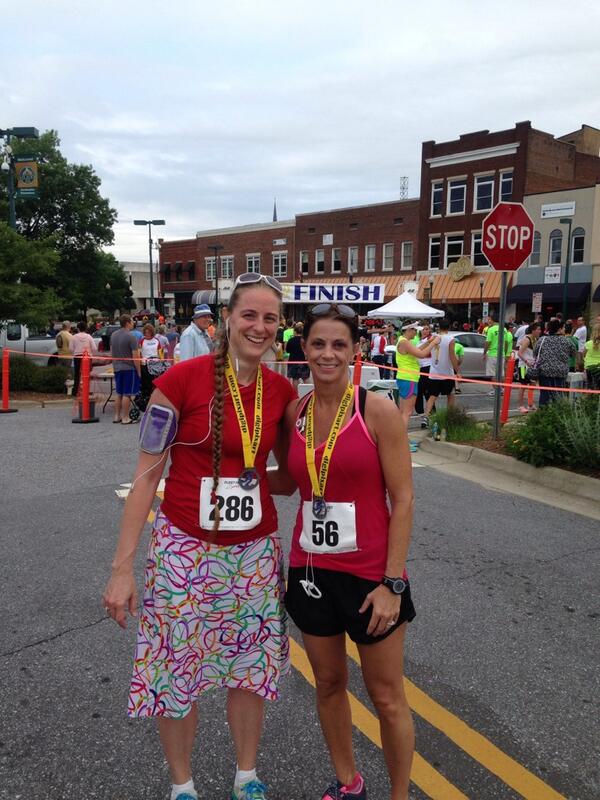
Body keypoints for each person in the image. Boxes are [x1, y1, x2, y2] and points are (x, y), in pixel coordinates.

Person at [102, 273, 295, 800]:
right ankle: (182, 784)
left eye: (270, 318)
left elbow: (290, 472)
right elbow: (146, 478)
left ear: (279, 328)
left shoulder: (281, 391)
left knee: (249, 669)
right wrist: (123, 567)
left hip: (253, 552)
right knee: (174, 670)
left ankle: (246, 776)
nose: (259, 326)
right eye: (249, 315)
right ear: (227, 319)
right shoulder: (179, 382)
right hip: (184, 549)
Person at [270, 302, 416, 800]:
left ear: (356, 350)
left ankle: (399, 795)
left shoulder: (375, 409)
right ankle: (349, 782)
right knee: (328, 684)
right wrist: (216, 474)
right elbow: (289, 483)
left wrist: (392, 583)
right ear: (303, 349)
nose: (327, 354)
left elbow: (404, 498)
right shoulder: (296, 412)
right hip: (310, 567)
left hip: (370, 575)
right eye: (318, 344)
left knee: (386, 696)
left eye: (339, 345)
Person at [394, 322, 439, 449]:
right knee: (407, 412)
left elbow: (417, 350)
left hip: (405, 378)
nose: (416, 333)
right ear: (409, 330)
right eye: (415, 330)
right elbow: (421, 354)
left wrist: (428, 342)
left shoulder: (403, 341)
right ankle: (402, 443)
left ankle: (400, 440)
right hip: (409, 378)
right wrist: (433, 343)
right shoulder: (405, 342)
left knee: (403, 411)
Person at [533, 319, 576, 406]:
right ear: (559, 329)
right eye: (563, 327)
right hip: (560, 372)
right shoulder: (567, 341)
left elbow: (535, 353)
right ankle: (556, 415)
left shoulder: (542, 340)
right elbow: (573, 353)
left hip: (544, 372)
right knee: (558, 396)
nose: (564, 329)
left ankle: (543, 414)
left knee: (544, 396)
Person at [424, 318, 460, 421]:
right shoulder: (451, 339)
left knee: (432, 396)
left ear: (439, 327)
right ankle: (450, 416)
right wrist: (457, 370)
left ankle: (425, 417)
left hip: (434, 372)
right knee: (450, 395)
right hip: (447, 373)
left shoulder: (434, 337)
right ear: (449, 327)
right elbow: (452, 356)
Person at [109, 314, 142, 424]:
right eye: (132, 321)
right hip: (129, 368)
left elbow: (111, 352)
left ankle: (117, 416)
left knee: (119, 393)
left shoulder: (113, 335)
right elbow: (135, 356)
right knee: (127, 394)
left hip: (117, 367)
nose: (133, 323)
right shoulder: (131, 336)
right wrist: (139, 371)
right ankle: (125, 417)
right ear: (127, 322)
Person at [69, 320, 98, 398]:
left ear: (78, 328)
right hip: (87, 357)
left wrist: (76, 350)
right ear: (85, 328)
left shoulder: (74, 337)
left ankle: (76, 391)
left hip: (77, 356)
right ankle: (86, 391)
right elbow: (94, 348)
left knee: (77, 374)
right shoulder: (89, 337)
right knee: (87, 375)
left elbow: (71, 349)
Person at [516, 322, 541, 413]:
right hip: (523, 366)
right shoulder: (527, 339)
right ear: (533, 330)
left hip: (531, 366)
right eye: (538, 329)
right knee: (523, 385)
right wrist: (526, 361)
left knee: (532, 384)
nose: (540, 331)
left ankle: (530, 404)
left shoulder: (535, 339)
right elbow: (519, 353)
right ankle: (520, 405)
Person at [414, 323, 435, 424]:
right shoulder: (419, 341)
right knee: (419, 391)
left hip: (428, 367)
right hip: (419, 368)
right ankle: (421, 412)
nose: (425, 331)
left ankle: (430, 413)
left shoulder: (431, 340)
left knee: (428, 392)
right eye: (423, 329)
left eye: (427, 329)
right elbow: (417, 351)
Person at [285, 321, 310, 389]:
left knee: (295, 379)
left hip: (293, 361)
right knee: (305, 378)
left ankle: (296, 395)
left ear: (295, 331)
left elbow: (287, 350)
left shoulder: (291, 340)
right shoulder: (305, 340)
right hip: (303, 361)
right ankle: (309, 393)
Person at [583, 323, 600, 389]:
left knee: (589, 386)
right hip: (598, 367)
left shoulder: (588, 343)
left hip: (589, 367)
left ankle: (589, 398)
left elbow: (584, 355)